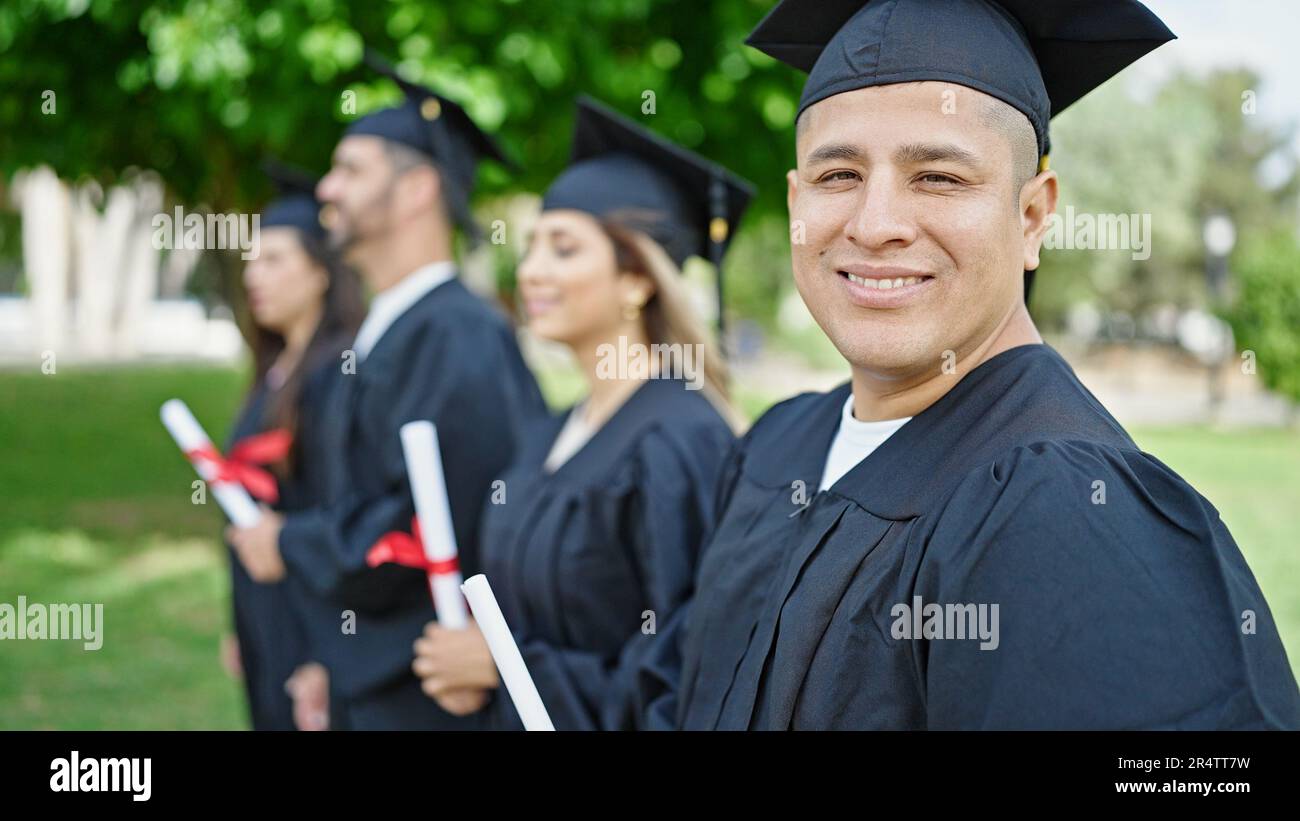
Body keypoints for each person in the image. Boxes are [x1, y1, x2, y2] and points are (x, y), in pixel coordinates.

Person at [650, 0, 1300, 729]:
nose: (874, 224)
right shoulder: (777, 444)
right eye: (838, 175)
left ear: (1032, 218)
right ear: (797, 201)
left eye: (938, 177)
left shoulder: (1067, 513)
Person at [408, 97, 752, 730]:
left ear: (636, 280)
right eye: (532, 245)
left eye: (563, 249)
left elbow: (690, 665)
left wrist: (508, 668)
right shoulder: (552, 432)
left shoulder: (680, 439)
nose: (532, 270)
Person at [226, 53, 546, 730]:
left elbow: (440, 524)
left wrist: (291, 543)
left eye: (352, 169)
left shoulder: (458, 336)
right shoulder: (387, 332)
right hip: (371, 682)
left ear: (417, 190)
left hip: (428, 694)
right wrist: (326, 658)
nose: (327, 190)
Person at [223, 163, 364, 730]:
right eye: (253, 260)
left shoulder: (341, 376)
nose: (255, 276)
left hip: (315, 623)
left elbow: (337, 520)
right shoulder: (274, 373)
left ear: (322, 272)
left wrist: (325, 659)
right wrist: (243, 625)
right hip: (269, 615)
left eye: (275, 260)